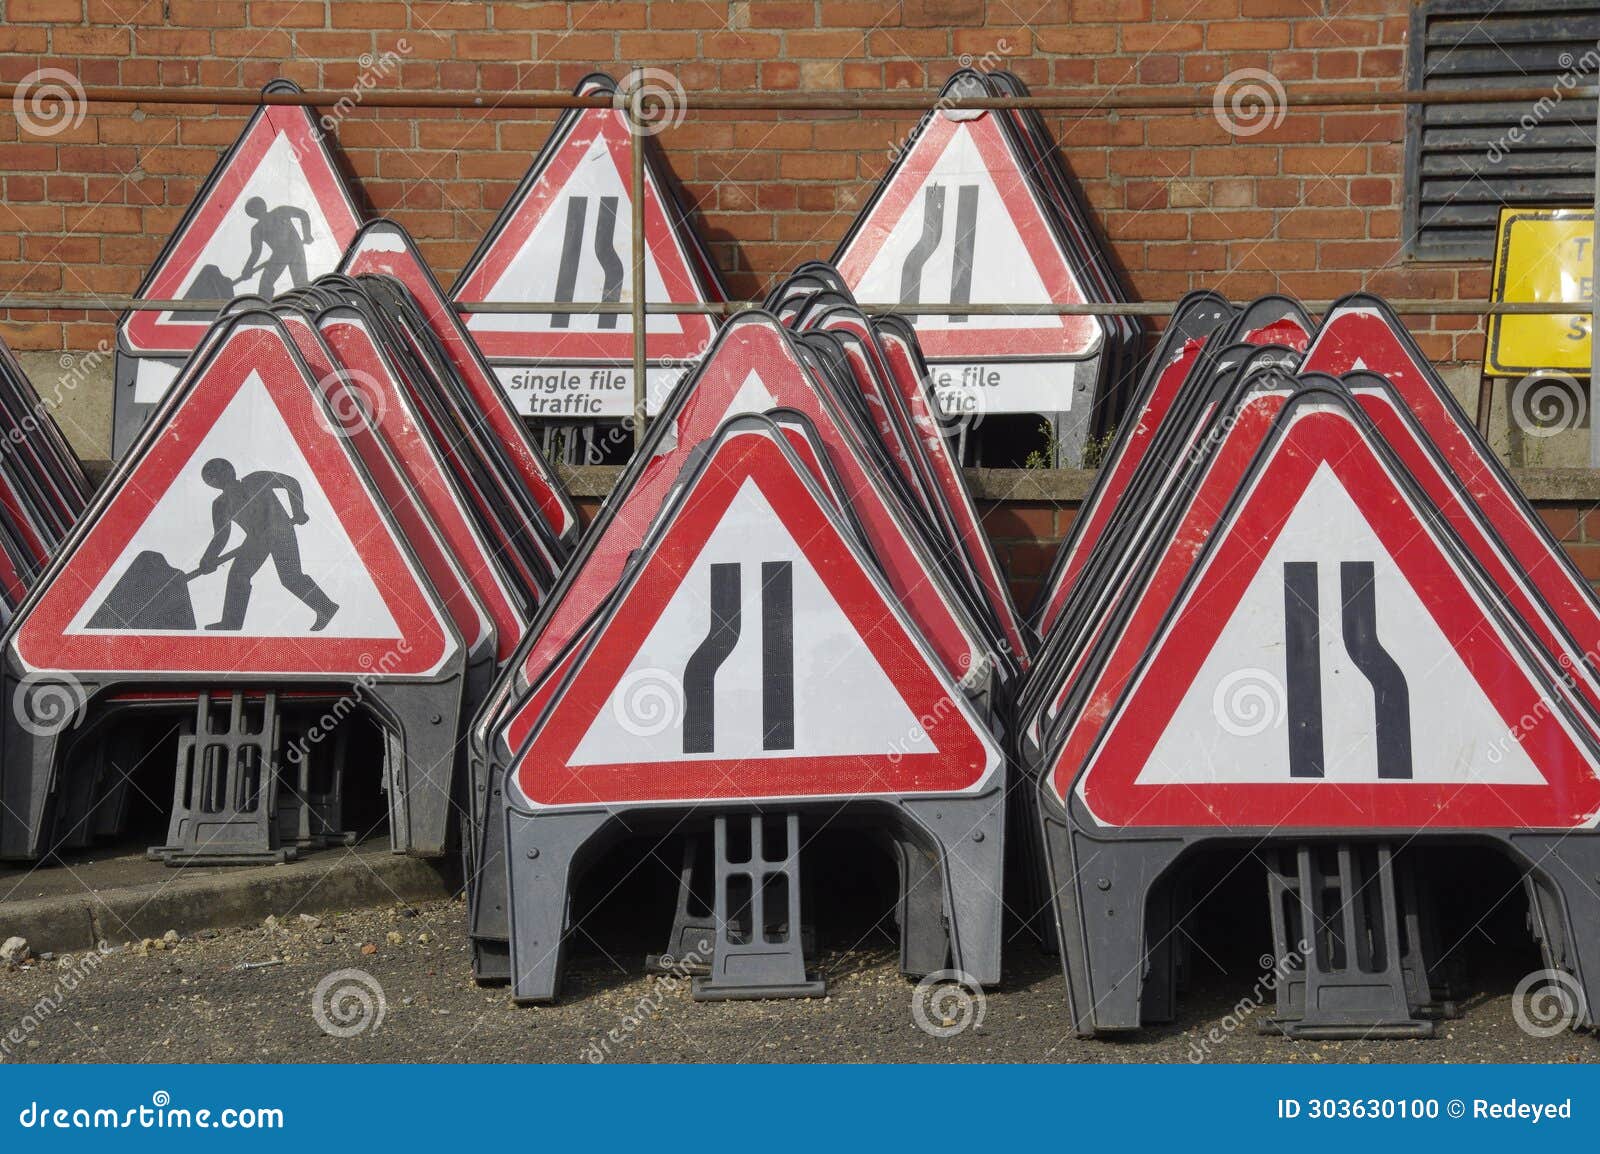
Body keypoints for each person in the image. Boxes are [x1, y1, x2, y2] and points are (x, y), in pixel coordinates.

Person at [194, 458, 338, 631]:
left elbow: (291, 483)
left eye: (218, 473)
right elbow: (221, 535)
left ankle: (326, 608)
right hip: (256, 540)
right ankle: (231, 623)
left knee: (290, 578)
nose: (218, 478)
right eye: (212, 477)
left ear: (229, 471)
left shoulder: (256, 479)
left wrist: (298, 510)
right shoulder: (220, 504)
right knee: (238, 576)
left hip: (280, 530)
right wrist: (208, 559)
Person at [233, 197, 313, 297]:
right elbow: (256, 252)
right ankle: (264, 303)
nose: (257, 211)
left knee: (267, 285)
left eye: (256, 208)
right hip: (288, 252)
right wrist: (247, 268)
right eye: (254, 210)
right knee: (299, 284)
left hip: (288, 251)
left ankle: (264, 302)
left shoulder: (278, 213)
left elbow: (303, 214)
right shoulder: (260, 227)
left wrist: (307, 234)